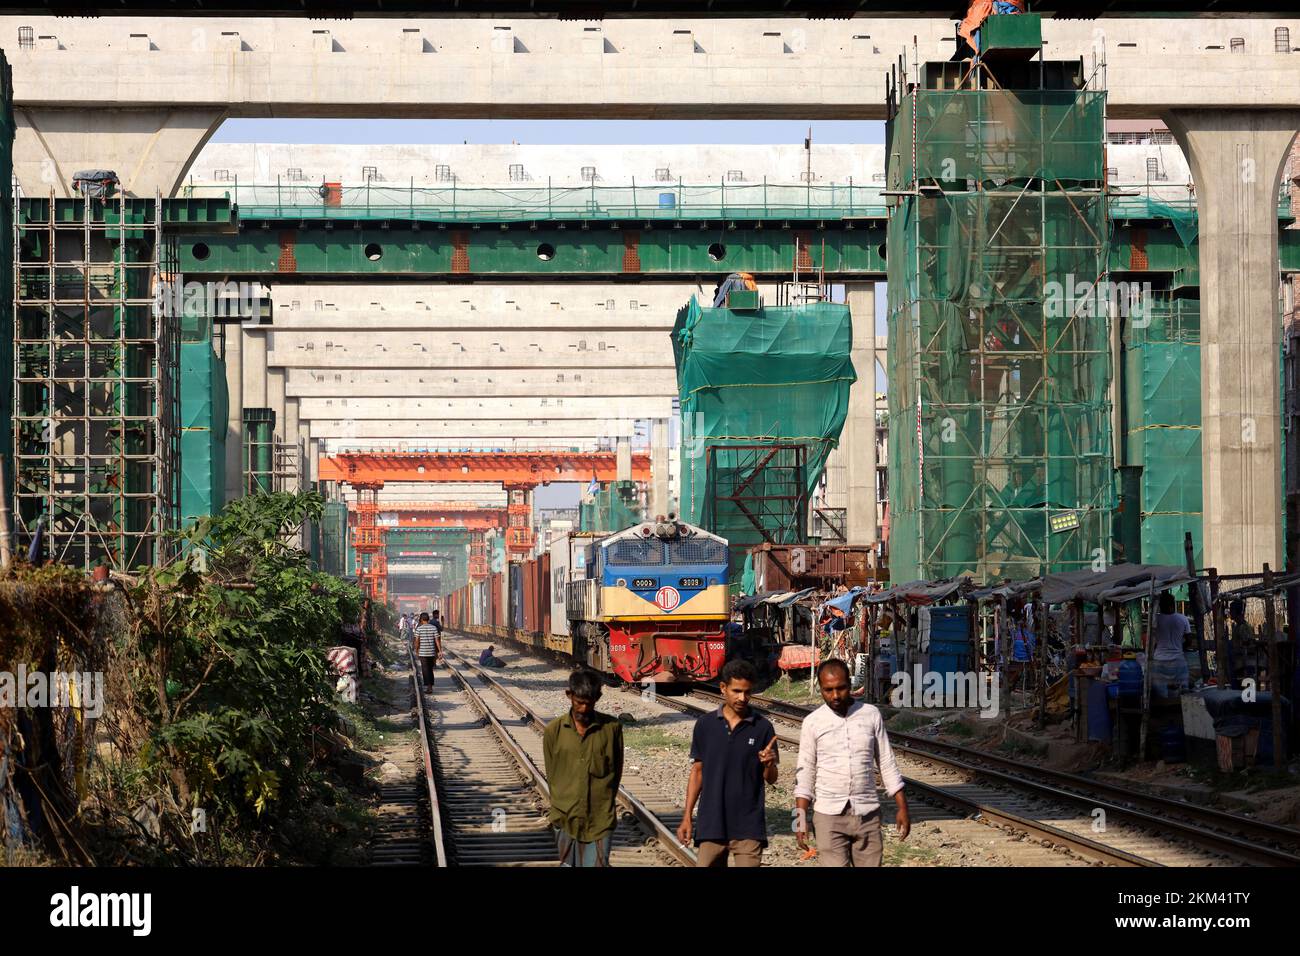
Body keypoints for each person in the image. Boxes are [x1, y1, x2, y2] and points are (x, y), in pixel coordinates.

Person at [794, 658, 910, 867]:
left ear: (850, 684)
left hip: (867, 814)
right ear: (820, 688)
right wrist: (799, 821)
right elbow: (804, 773)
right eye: (828, 690)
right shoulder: (812, 722)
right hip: (828, 815)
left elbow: (886, 761)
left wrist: (902, 807)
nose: (835, 695)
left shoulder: (871, 715)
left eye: (841, 688)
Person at [676, 659, 779, 867]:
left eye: (748, 692)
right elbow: (697, 772)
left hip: (749, 826)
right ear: (723, 688)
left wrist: (768, 765)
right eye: (737, 691)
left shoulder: (763, 728)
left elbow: (771, 779)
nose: (743, 698)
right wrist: (687, 817)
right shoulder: (705, 725)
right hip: (711, 823)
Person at [543, 667, 624, 867]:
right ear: (569, 695)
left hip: (600, 819)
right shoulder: (554, 731)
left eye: (589, 704)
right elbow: (552, 774)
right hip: (565, 817)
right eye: (579, 703)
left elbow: (616, 773)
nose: (583, 709)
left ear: (597, 698)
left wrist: (604, 801)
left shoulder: (612, 729)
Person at [1151, 592, 1191, 698]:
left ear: (1161, 605)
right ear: (1173, 604)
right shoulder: (1183, 619)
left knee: (1161, 695)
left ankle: (1164, 711)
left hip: (1159, 661)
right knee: (1183, 692)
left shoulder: (1156, 620)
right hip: (1178, 661)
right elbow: (1189, 641)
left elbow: (1152, 639)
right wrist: (1179, 647)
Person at [413, 612, 441, 688]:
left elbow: (417, 642)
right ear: (428, 619)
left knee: (425, 670)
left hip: (423, 653)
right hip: (432, 653)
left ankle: (428, 686)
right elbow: (437, 641)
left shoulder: (419, 629)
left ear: (421, 619)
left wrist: (417, 651)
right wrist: (439, 651)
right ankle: (430, 686)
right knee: (430, 669)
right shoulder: (433, 628)